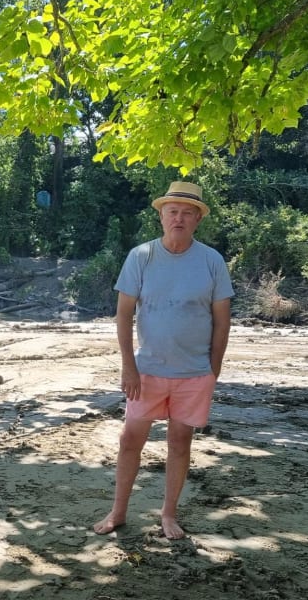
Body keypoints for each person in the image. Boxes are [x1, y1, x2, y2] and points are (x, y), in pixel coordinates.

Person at [93, 181, 233, 540]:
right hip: (147, 372)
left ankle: (168, 515)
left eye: (188, 212)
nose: (179, 218)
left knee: (179, 444)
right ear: (161, 215)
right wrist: (129, 366)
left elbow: (222, 322)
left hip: (193, 373)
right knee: (129, 441)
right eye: (173, 211)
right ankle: (118, 512)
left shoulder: (212, 261)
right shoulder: (141, 256)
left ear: (198, 219)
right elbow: (124, 314)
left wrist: (212, 372)